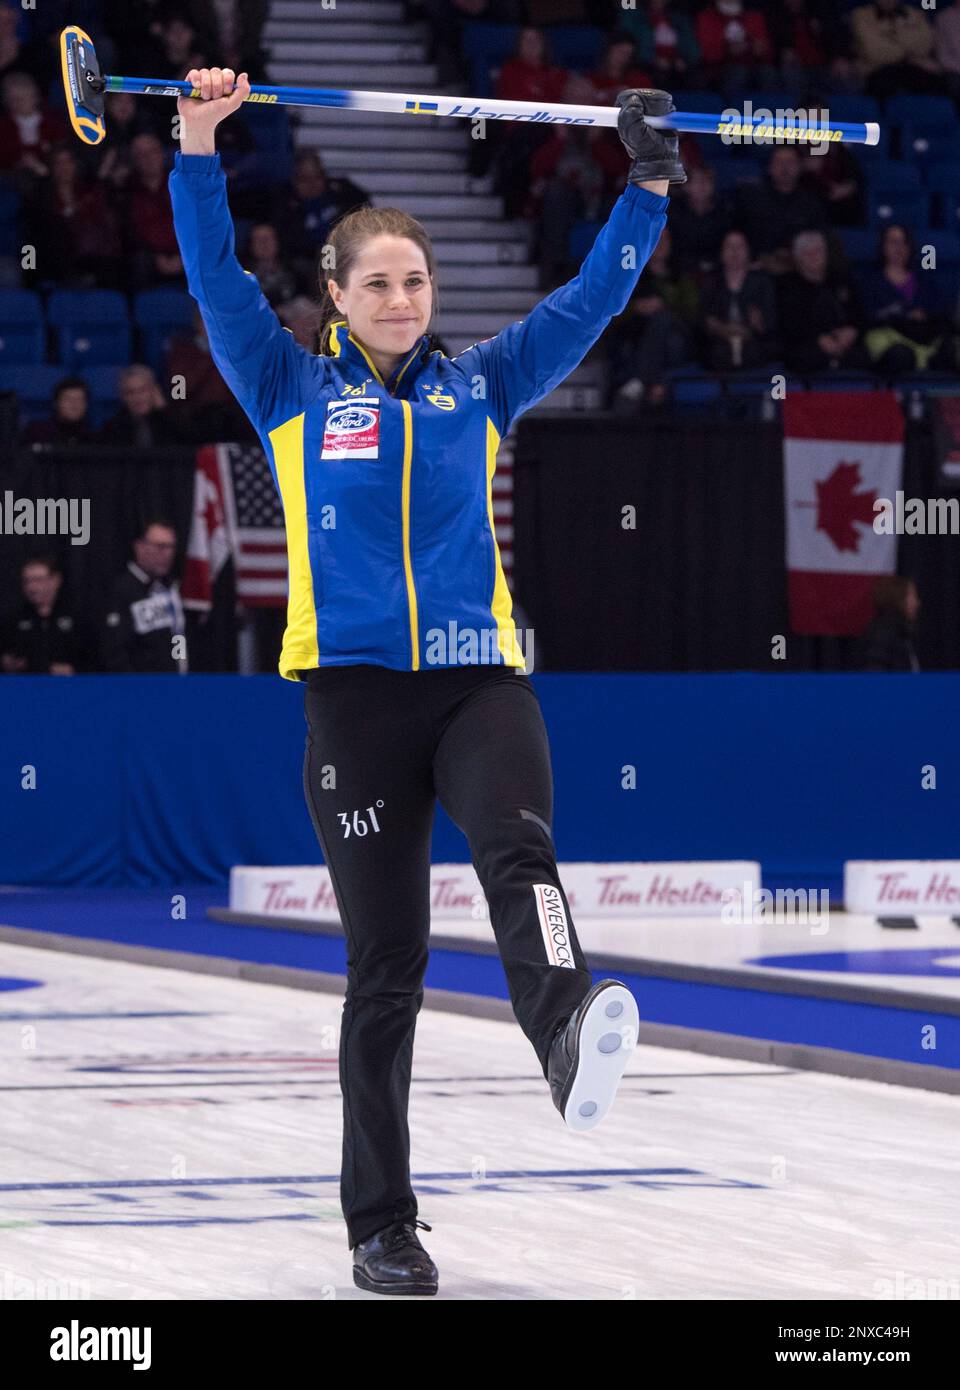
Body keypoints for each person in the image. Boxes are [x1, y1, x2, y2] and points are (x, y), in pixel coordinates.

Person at [170, 64, 678, 1295]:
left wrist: (648, 186)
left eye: (418, 280)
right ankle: (380, 1226)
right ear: (337, 297)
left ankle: (564, 1028)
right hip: (350, 700)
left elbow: (587, 304)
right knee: (384, 964)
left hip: (476, 685)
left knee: (521, 849)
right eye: (379, 283)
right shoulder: (289, 385)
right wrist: (197, 143)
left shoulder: (480, 386)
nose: (404, 298)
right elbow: (215, 280)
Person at [862, 223, 955, 375]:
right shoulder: (871, 282)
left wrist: (923, 315)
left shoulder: (924, 280)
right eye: (893, 242)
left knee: (949, 350)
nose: (899, 247)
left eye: (904, 242)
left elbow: (940, 311)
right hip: (891, 339)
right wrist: (904, 315)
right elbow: (869, 316)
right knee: (899, 356)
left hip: (926, 339)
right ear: (882, 246)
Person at [102, 519, 188, 673]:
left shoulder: (172, 589)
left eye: (171, 547)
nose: (167, 554)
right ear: (139, 547)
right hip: (143, 690)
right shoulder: (122, 591)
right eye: (160, 547)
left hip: (178, 686)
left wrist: (181, 668)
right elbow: (115, 654)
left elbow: (178, 636)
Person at [777, 229, 868, 373]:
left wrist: (851, 331)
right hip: (808, 346)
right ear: (797, 257)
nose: (814, 257)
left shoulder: (842, 280)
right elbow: (790, 325)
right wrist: (819, 339)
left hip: (846, 343)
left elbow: (860, 316)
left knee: (865, 357)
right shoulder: (787, 286)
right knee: (801, 358)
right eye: (808, 253)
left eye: (818, 251)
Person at [698, 229, 779, 372]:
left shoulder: (762, 281)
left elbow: (770, 320)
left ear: (748, 251)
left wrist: (758, 323)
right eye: (730, 247)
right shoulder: (711, 281)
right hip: (719, 344)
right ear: (722, 252)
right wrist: (720, 328)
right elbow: (704, 319)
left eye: (739, 246)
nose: (735, 252)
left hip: (754, 342)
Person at [0, 554, 92, 675]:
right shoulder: (12, 621)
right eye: (27, 581)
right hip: (24, 688)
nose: (32, 587)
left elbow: (96, 662)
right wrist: (7, 664)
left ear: (56, 580)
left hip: (69, 689)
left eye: (38, 580)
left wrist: (73, 671)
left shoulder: (78, 620)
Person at [858, 576, 920, 671]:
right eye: (913, 596)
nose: (917, 603)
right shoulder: (882, 634)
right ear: (897, 597)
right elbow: (875, 676)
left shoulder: (901, 632)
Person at [19, 376, 97, 446]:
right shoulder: (37, 433)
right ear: (56, 403)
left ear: (87, 404)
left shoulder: (95, 438)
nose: (75, 405)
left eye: (80, 400)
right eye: (68, 399)